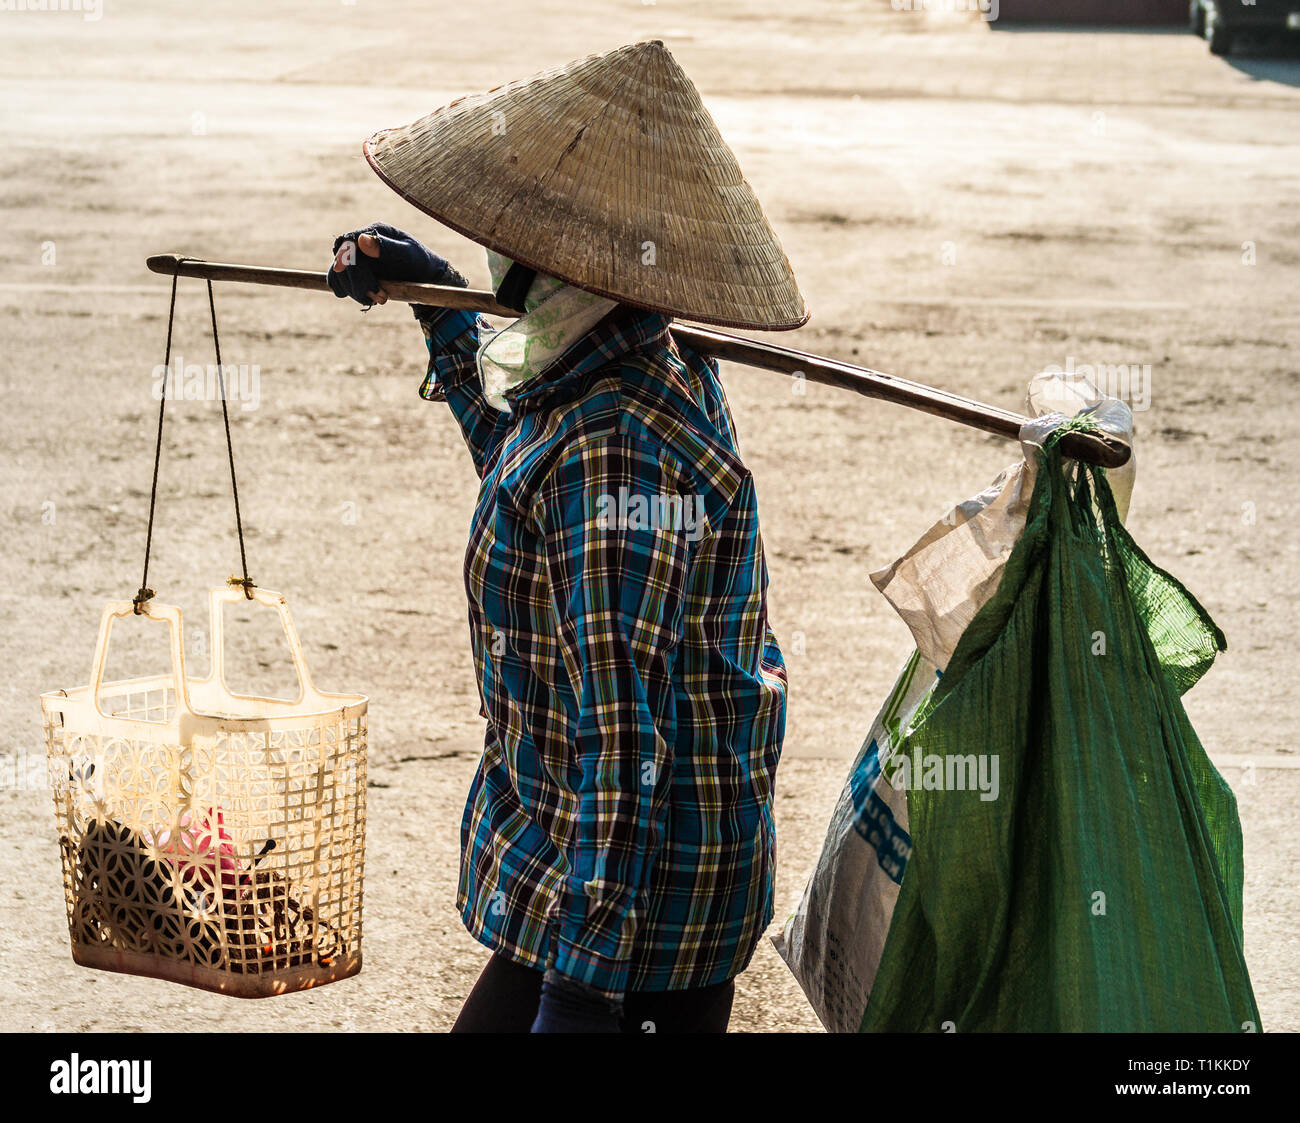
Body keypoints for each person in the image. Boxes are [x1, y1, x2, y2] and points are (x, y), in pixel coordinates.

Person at [328, 41, 807, 1033]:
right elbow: (522, 467)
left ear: (561, 264)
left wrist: (585, 986)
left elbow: (625, 730)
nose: (496, 257)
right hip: (588, 875)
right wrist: (435, 301)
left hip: (633, 917)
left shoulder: (614, 448)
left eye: (507, 246)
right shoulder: (607, 368)